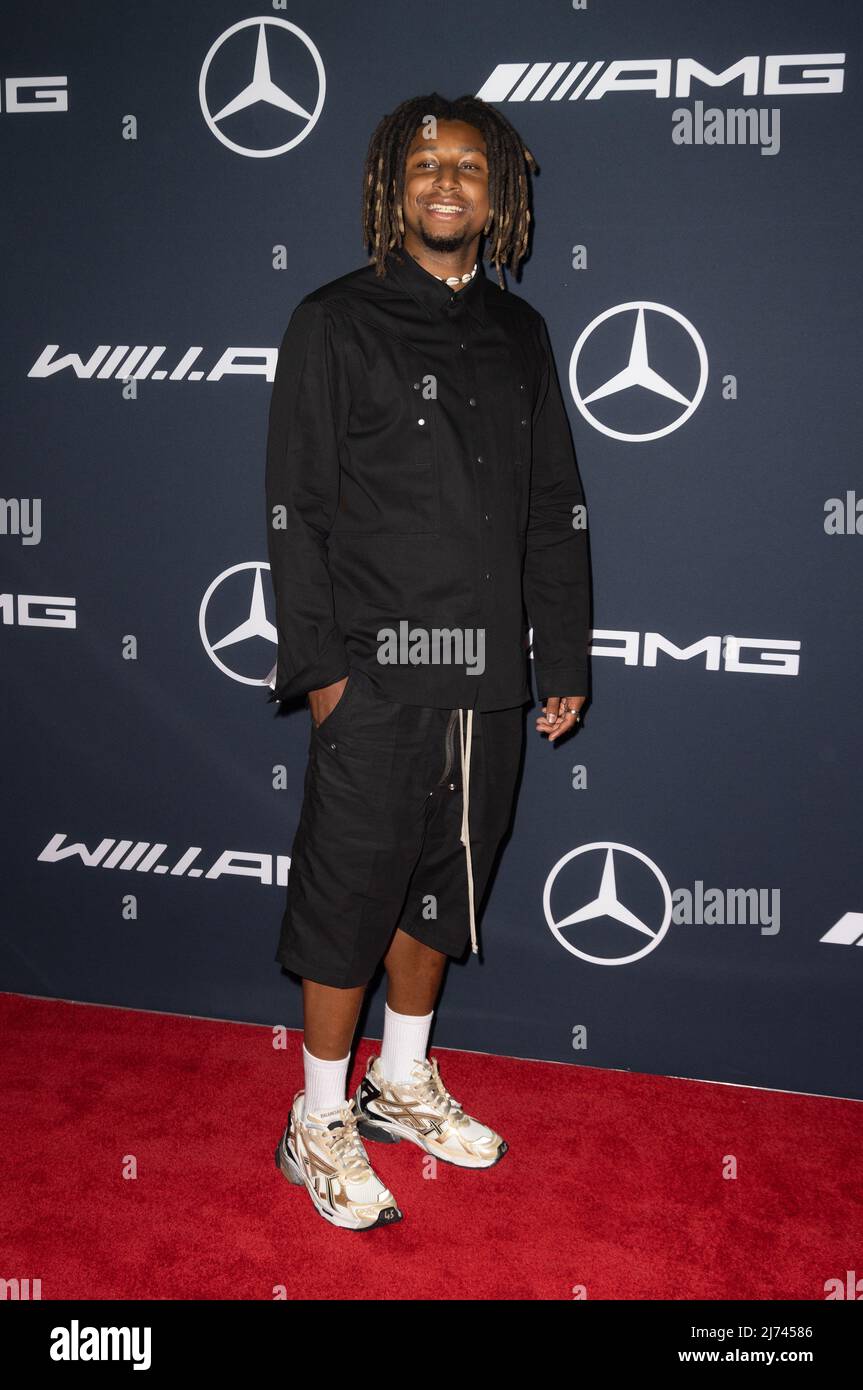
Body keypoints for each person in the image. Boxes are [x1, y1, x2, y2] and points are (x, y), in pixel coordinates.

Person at [266, 92, 591, 1230]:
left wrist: (561, 654)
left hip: (491, 677)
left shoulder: (520, 332)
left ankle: (398, 1084)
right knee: (348, 900)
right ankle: (318, 1117)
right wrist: (323, 677)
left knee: (441, 894)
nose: (444, 180)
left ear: (496, 189)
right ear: (387, 188)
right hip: (379, 674)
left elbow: (552, 508)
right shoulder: (333, 320)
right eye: (422, 164)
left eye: (466, 164)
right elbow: (295, 512)